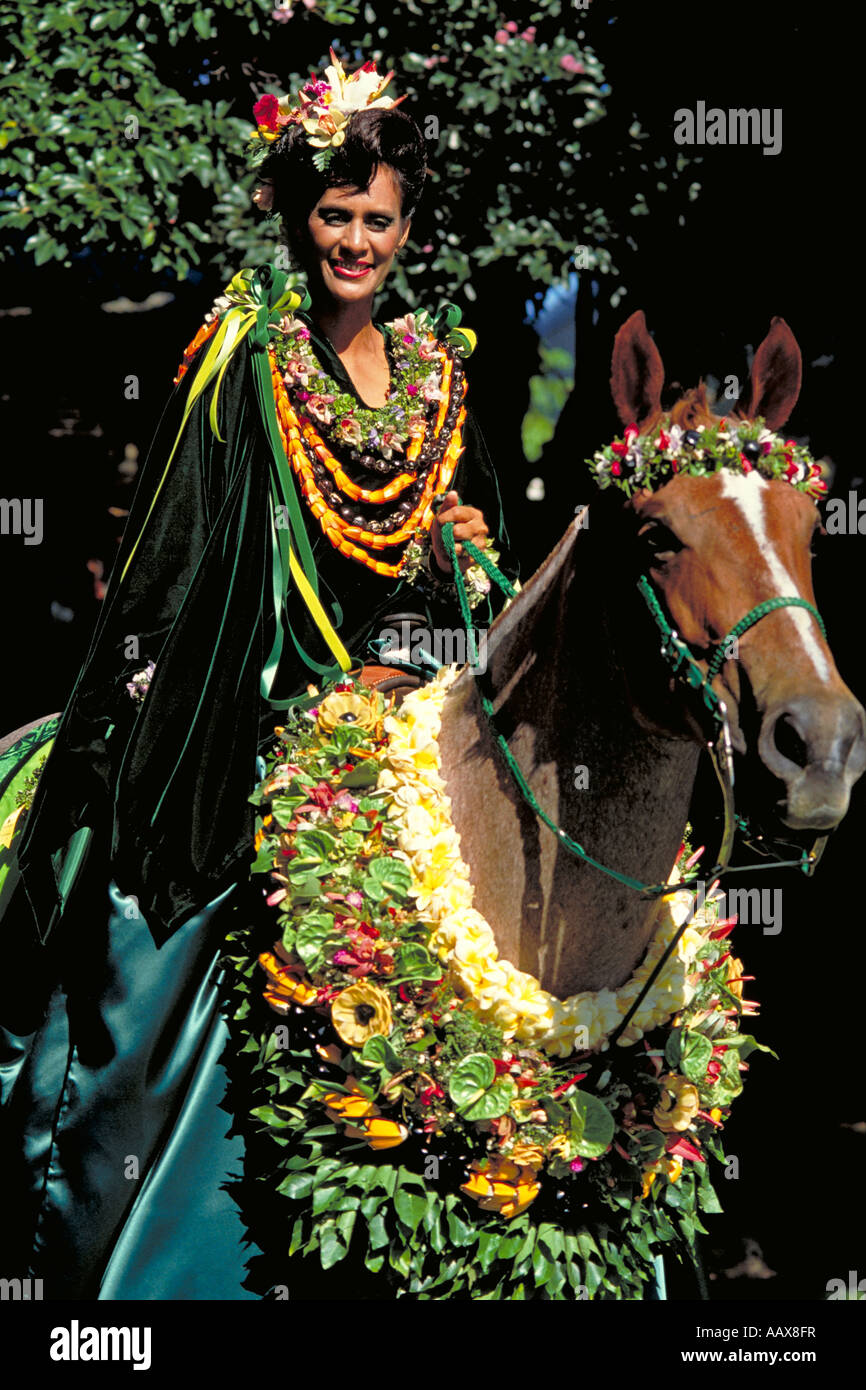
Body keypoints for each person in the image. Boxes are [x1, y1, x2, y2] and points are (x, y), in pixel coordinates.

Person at [0, 52, 515, 1299]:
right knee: (159, 946)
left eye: (376, 219)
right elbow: (180, 562)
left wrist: (429, 615)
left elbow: (473, 570)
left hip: (401, 713)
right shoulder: (252, 357)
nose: (353, 239)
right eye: (333, 216)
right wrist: (213, 700)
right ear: (300, 219)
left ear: (406, 229)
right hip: (249, 714)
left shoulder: (442, 376)